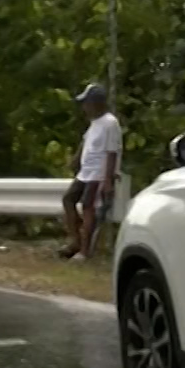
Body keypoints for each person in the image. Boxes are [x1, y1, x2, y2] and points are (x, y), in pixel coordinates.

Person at [61, 82, 121, 261]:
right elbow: (85, 142)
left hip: (98, 174)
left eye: (86, 103)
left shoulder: (110, 123)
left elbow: (112, 152)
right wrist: (75, 159)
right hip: (85, 173)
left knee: (88, 209)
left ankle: (85, 251)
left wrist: (108, 180)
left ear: (96, 103)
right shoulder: (95, 123)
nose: (84, 107)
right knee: (68, 199)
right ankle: (75, 241)